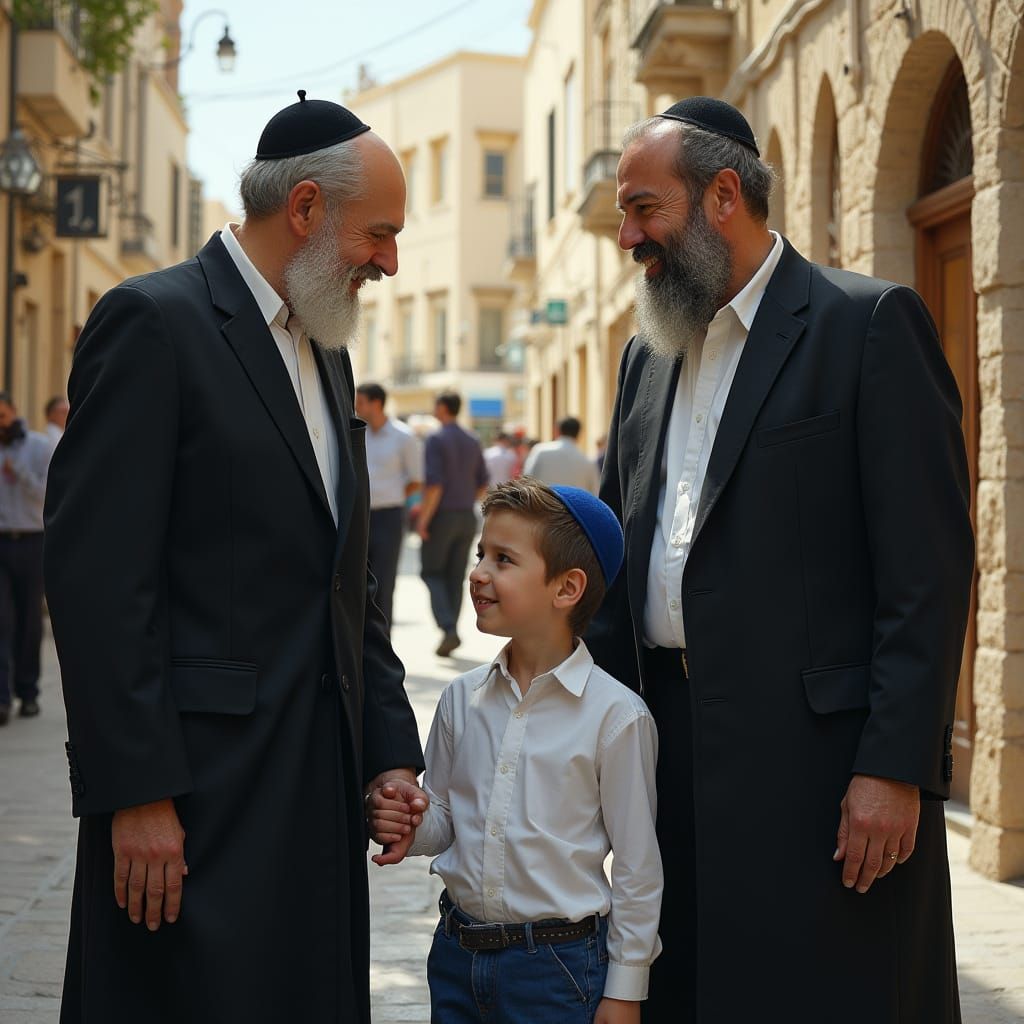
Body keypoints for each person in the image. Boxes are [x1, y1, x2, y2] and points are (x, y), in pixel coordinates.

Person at [44, 92, 428, 1024]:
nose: (387, 261)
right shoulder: (153, 322)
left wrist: (387, 752)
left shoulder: (326, 349)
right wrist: (136, 795)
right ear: (304, 209)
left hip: (312, 792)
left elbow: (350, 582)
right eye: (376, 234)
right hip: (193, 805)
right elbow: (100, 584)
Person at [587, 97, 974, 1022]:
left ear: (724, 194)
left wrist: (895, 767)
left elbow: (928, 572)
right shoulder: (645, 359)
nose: (628, 238)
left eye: (645, 210)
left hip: (824, 774)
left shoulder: (867, 323)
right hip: (667, 756)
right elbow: (613, 555)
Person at [371, 478, 662, 1024]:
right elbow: (445, 821)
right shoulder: (462, 697)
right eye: (481, 553)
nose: (478, 571)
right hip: (456, 956)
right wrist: (410, 820)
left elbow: (637, 868)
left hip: (557, 969)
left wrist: (626, 988)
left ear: (567, 588)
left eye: (504, 559)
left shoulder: (616, 717)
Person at [417, 390, 488, 657]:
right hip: (466, 516)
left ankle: (448, 628)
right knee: (456, 576)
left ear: (443, 407)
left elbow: (434, 486)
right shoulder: (472, 439)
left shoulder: (436, 439)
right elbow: (483, 483)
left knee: (431, 572)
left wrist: (423, 520)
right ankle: (452, 629)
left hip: (442, 515)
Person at [0, 392, 52, 725]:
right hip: (0, 542)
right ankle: (2, 699)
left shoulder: (38, 446)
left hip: (32, 541)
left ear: (14, 412)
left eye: (2, 416)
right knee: (1, 621)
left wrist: (19, 472)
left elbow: (49, 494)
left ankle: (28, 692)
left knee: (30, 623)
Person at [355, 381, 423, 631]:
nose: (356, 407)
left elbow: (416, 480)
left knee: (384, 583)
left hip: (389, 517)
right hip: (359, 516)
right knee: (357, 582)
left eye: (360, 402)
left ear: (376, 403)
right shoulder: (356, 432)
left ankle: (382, 646)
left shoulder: (403, 436)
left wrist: (393, 494)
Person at [523, 415, 600, 494]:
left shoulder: (540, 451)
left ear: (557, 430)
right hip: (572, 506)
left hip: (541, 504)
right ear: (579, 434)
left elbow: (526, 480)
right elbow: (594, 493)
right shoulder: (587, 461)